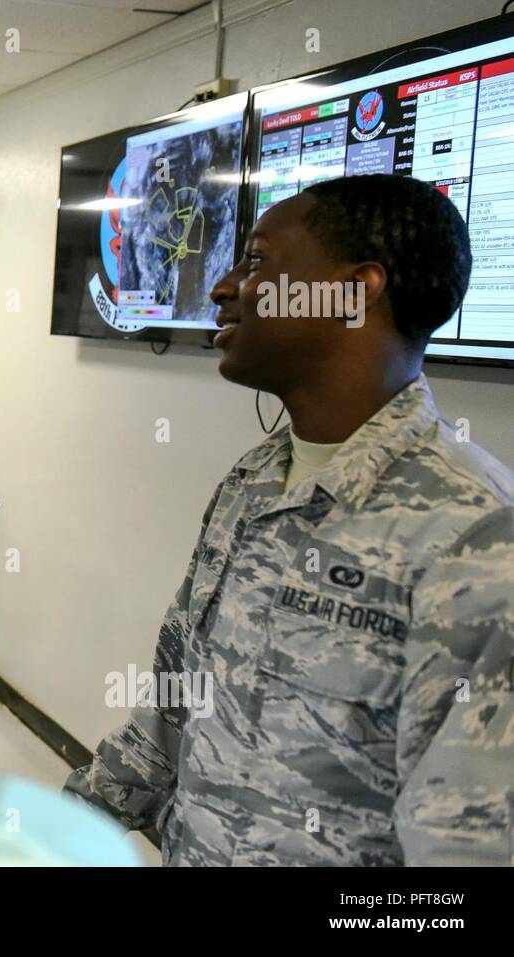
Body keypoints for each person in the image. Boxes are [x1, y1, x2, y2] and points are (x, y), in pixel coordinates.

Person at [66, 174, 514, 865]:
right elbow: (171, 710)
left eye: (254, 262)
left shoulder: (476, 533)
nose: (221, 289)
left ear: (353, 290)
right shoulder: (253, 483)